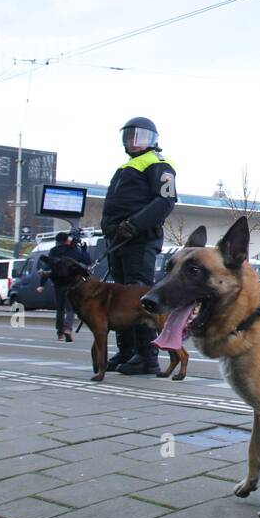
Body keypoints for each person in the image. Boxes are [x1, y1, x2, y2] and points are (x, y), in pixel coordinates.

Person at [100, 117, 178, 375]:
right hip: (120, 241)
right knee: (121, 298)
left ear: (153, 139)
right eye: (130, 136)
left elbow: (165, 202)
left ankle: (147, 356)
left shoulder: (159, 164)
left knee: (138, 297)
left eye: (140, 136)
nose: (134, 141)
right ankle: (127, 351)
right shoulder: (127, 166)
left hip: (139, 241)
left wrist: (134, 225)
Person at [40, 232, 92, 341]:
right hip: (72, 284)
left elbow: (47, 266)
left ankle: (60, 333)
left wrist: (42, 284)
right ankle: (68, 329)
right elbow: (87, 261)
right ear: (67, 240)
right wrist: (84, 250)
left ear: (57, 241)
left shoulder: (53, 251)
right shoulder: (74, 250)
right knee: (70, 309)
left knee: (60, 309)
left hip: (58, 283)